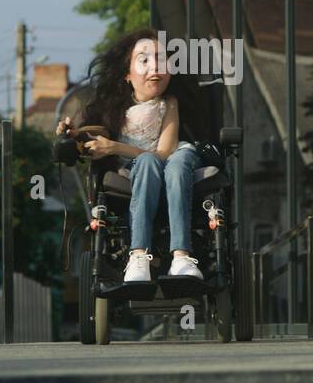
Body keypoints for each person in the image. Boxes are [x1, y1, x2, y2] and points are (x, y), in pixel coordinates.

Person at [57, 28, 204, 283]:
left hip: (173, 159)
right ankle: (138, 256)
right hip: (140, 168)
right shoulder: (114, 110)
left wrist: (114, 147)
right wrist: (71, 133)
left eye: (160, 58)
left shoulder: (168, 103)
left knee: (174, 163)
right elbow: (91, 139)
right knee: (145, 162)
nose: (154, 66)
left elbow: (165, 153)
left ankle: (181, 256)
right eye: (145, 60)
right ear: (127, 74)